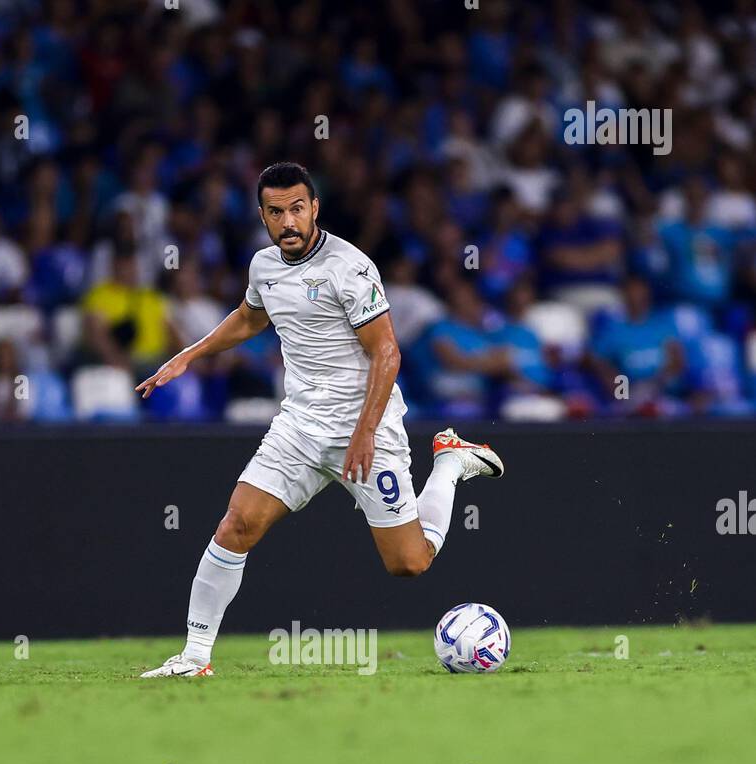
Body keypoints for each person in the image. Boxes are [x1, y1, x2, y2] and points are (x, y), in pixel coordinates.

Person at [136, 162, 505, 678]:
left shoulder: (350, 268)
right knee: (237, 524)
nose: (287, 221)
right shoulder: (264, 266)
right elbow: (250, 316)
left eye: (296, 209)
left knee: (409, 563)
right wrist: (189, 356)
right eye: (275, 211)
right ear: (263, 216)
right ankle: (195, 657)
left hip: (365, 429)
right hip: (300, 428)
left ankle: (450, 464)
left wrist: (365, 433)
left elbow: (387, 354)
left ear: (314, 209)